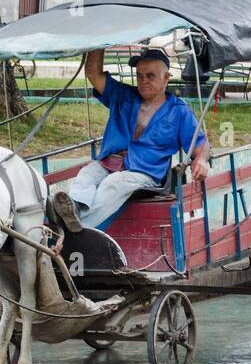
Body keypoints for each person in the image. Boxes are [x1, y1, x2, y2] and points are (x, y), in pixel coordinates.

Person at [54, 47, 210, 230]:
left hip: (144, 173)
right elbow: (92, 73)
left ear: (166, 78)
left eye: (150, 76)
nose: (143, 81)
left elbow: (201, 146)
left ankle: (75, 228)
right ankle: (73, 210)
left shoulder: (179, 111)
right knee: (87, 174)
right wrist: (100, 38)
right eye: (139, 76)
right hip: (108, 163)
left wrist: (202, 160)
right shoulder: (123, 95)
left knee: (113, 183)